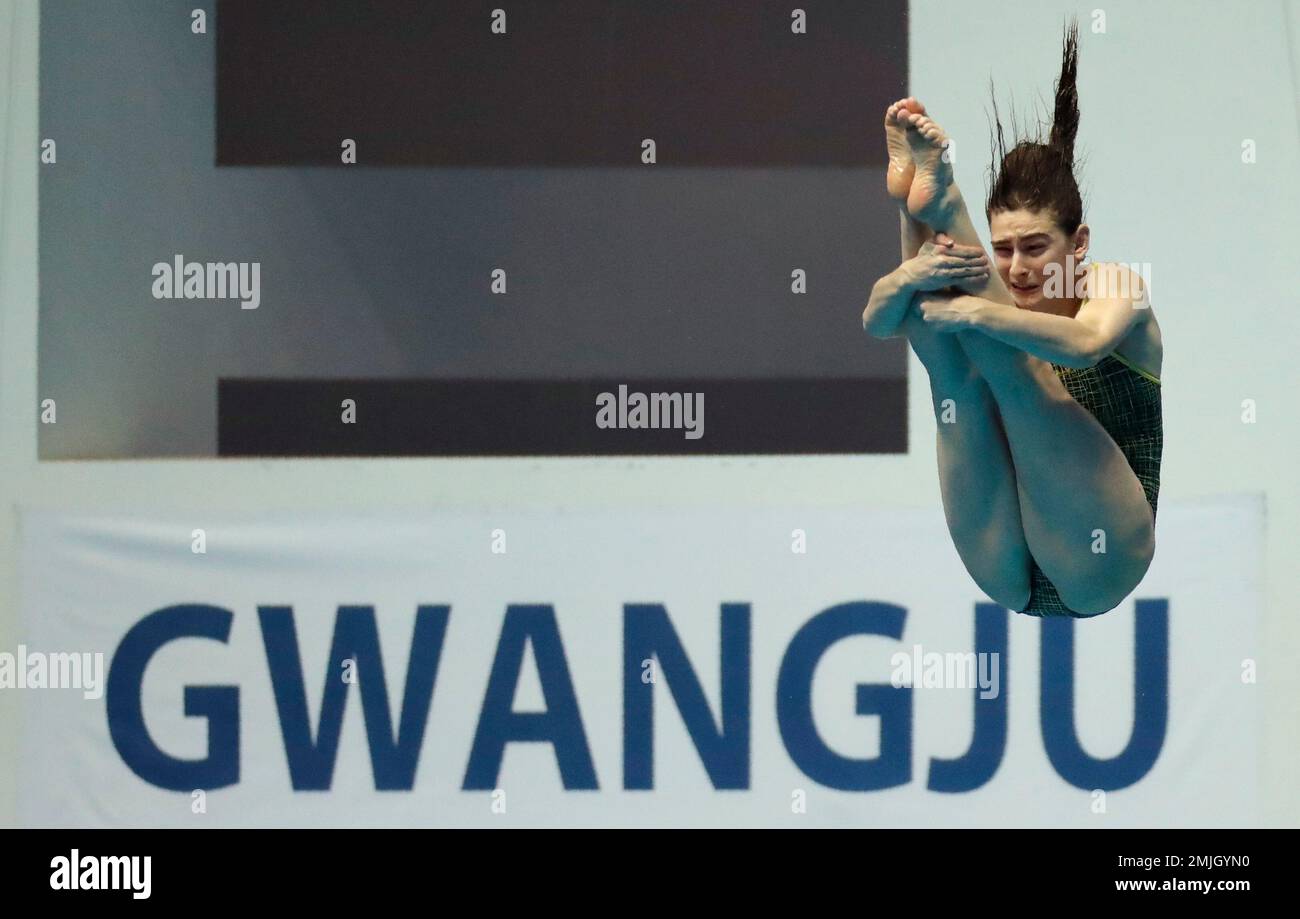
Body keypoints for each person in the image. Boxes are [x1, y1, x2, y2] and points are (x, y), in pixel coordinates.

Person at [861, 22, 1163, 618]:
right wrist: (908, 279)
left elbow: (1084, 343)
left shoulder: (1113, 285)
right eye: (1002, 249)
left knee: (1015, 364)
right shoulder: (995, 300)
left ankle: (944, 203)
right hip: (1005, 569)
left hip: (1101, 558)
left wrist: (979, 310)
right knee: (949, 363)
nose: (1018, 268)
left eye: (1034, 247)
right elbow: (880, 321)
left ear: (1078, 244)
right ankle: (916, 209)